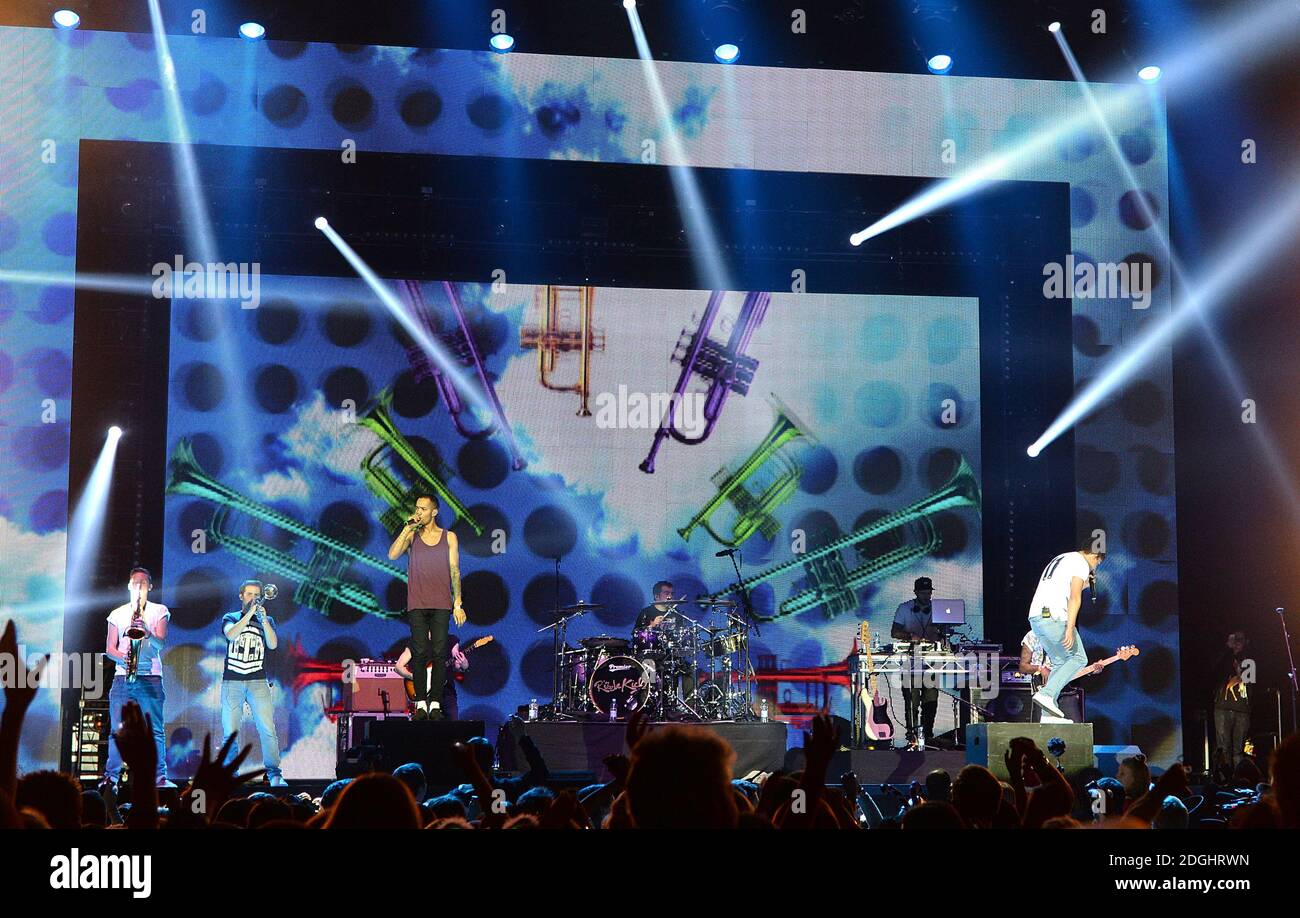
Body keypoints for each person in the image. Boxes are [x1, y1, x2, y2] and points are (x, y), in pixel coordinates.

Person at [387, 494, 465, 721]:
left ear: (434, 511)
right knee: (420, 653)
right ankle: (421, 703)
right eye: (417, 508)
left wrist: (458, 603)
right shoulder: (412, 535)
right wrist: (407, 528)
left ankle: (435, 705)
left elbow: (455, 570)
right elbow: (392, 555)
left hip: (441, 603)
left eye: (423, 508)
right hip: (417, 603)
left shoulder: (448, 537)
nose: (418, 512)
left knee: (439, 654)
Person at [102, 567, 174, 789]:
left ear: (150, 586)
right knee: (117, 729)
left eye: (144, 582)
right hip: (123, 677)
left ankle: (159, 777)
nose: (139, 586)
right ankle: (111, 777)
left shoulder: (159, 610)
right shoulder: (117, 613)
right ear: (129, 586)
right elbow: (109, 649)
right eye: (135, 582)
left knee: (155, 729)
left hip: (150, 677)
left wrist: (147, 631)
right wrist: (127, 659)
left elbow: (161, 643)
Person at [220, 579, 285, 786]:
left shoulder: (267, 619)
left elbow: (273, 644)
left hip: (258, 680)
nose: (254, 598)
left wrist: (264, 620)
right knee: (230, 731)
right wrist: (249, 614)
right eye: (249, 594)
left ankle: (274, 773)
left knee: (267, 728)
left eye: (257, 595)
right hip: (233, 682)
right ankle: (231, 774)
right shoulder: (230, 617)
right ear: (241, 596)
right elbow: (231, 634)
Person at [1026, 546, 1104, 719]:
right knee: (1079, 658)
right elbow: (1075, 597)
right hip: (1055, 617)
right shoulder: (1080, 562)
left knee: (1061, 661)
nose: (1094, 567)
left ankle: (1047, 713)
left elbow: (1064, 587)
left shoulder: (1063, 558)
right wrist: (1070, 627)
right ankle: (1046, 694)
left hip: (1038, 617)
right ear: (1093, 554)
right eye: (1097, 562)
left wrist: (1086, 583)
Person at [892, 576, 941, 748]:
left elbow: (946, 628)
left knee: (931, 699)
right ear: (916, 593)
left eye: (929, 592)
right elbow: (894, 632)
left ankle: (927, 735)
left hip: (931, 661)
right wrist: (910, 636)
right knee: (911, 700)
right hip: (910, 660)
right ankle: (912, 737)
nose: (927, 596)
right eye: (923, 593)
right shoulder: (905, 608)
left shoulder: (937, 609)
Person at [395, 636, 470, 720]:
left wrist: (464, 664)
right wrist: (414, 677)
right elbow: (398, 667)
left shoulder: (450, 639)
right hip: (425, 695)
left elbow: (457, 666)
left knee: (452, 727)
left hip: (446, 693)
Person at [1213, 630, 1252, 768]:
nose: (1237, 643)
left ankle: (1239, 779)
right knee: (1223, 748)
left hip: (1241, 709)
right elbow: (1214, 668)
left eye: (1240, 640)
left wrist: (1238, 671)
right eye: (1234, 640)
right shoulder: (1224, 658)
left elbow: (1248, 679)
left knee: (1238, 750)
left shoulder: (1248, 659)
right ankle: (1224, 779)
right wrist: (1227, 649)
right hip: (1222, 707)